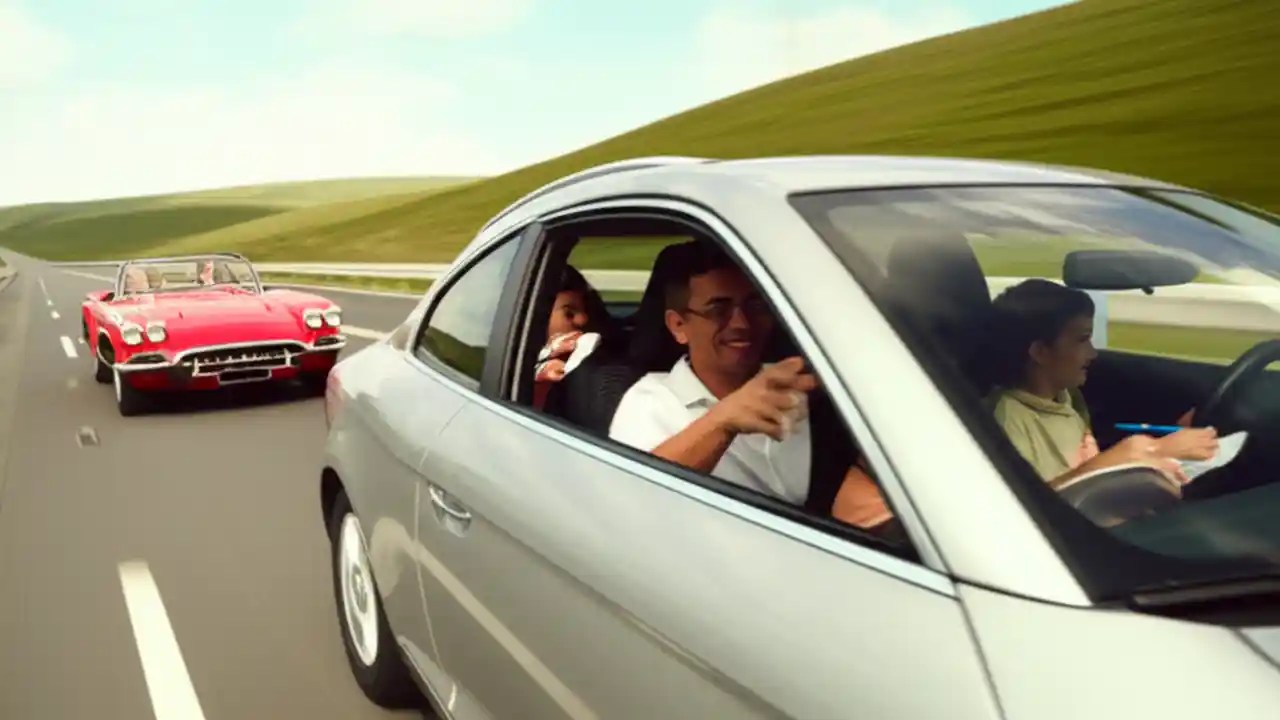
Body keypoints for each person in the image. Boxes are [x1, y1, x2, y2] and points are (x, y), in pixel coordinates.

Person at [608, 240, 891, 529]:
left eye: (755, 305)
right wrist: (723, 421)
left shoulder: (805, 387)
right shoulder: (648, 402)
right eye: (719, 309)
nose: (742, 323)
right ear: (678, 326)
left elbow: (847, 494)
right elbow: (628, 507)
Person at [987, 279, 1219, 489]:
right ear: (1041, 351)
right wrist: (1145, 452)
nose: (1093, 353)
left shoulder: (1065, 399)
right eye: (1082, 340)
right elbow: (1030, 506)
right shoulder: (1009, 419)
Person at [532, 265, 611, 410]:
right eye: (569, 313)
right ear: (538, 317)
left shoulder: (601, 355)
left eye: (586, 309)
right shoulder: (534, 371)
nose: (583, 319)